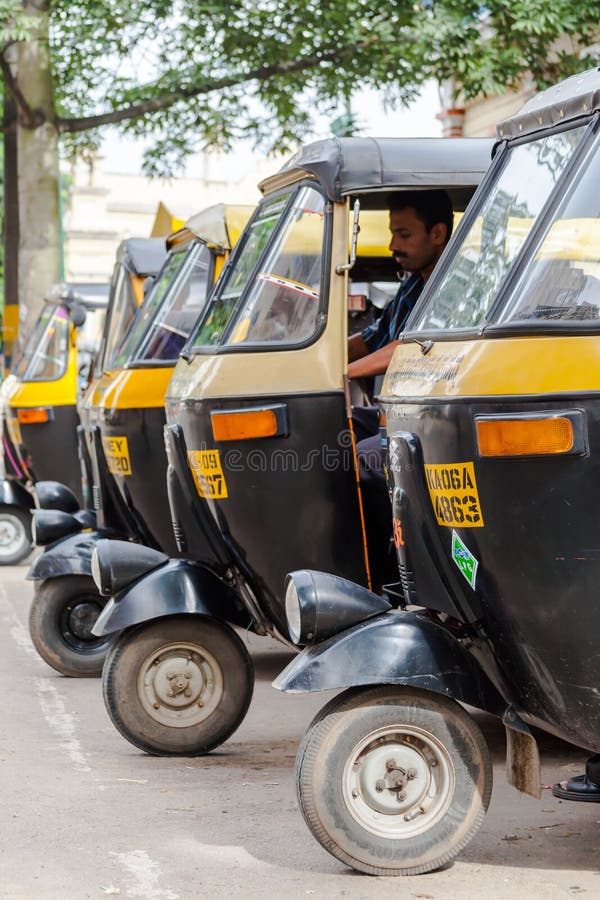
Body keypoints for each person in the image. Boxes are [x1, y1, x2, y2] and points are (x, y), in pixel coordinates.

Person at [349, 190, 454, 583]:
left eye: (404, 234)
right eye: (393, 233)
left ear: (438, 233)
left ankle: (388, 577)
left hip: (432, 420)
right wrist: (316, 353)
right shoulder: (412, 284)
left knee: (363, 459)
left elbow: (406, 348)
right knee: (336, 429)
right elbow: (376, 336)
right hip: (397, 413)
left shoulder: (453, 282)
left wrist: (338, 372)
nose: (393, 245)